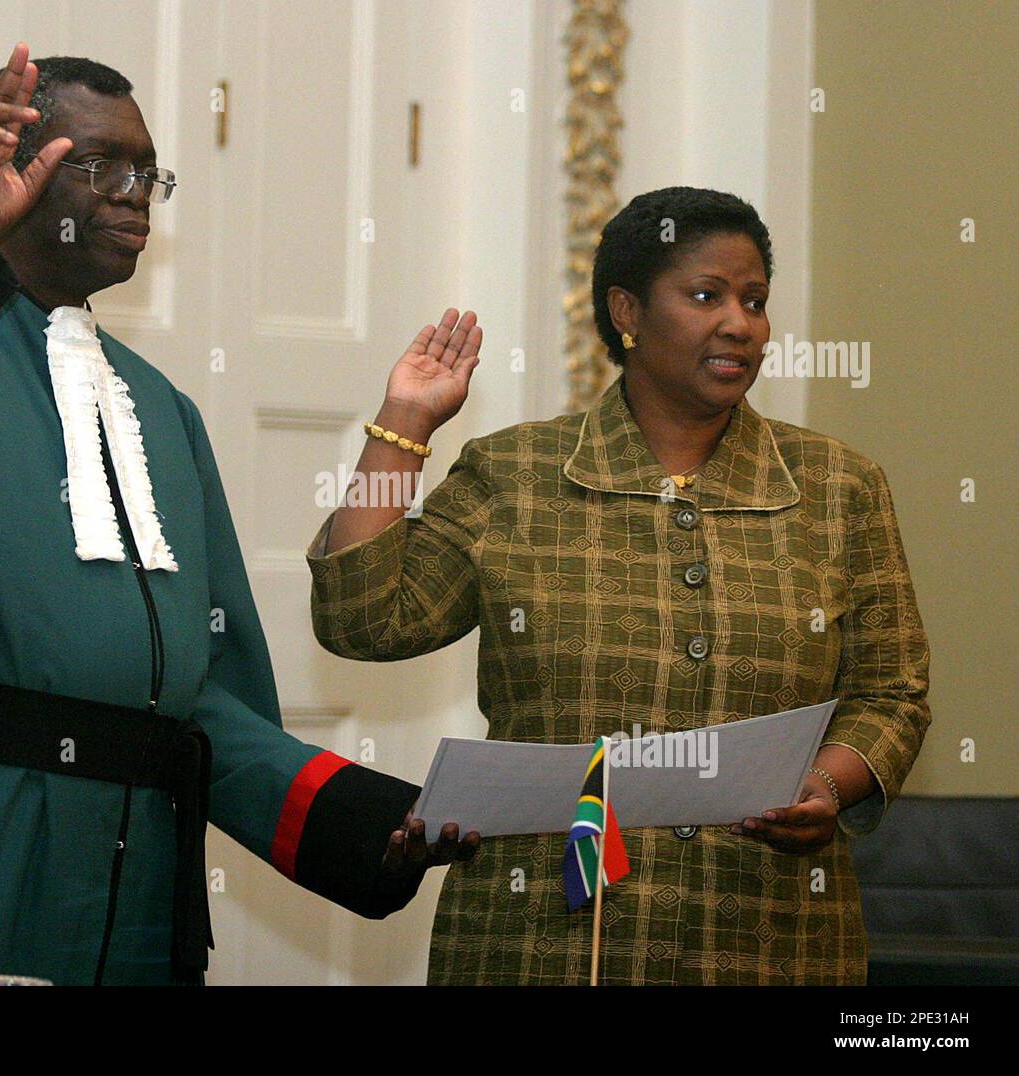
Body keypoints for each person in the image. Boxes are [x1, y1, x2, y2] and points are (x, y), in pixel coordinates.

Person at [0, 44, 477, 987]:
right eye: (100, 165)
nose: (136, 192)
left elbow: (197, 708)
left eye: (147, 171)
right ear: (4, 172)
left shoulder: (162, 411)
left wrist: (363, 821)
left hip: (131, 884)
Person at [307, 187, 931, 985]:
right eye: (706, 295)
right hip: (543, 937)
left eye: (755, 300)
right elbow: (363, 620)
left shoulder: (839, 486)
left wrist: (826, 785)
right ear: (627, 311)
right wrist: (405, 428)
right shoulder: (516, 474)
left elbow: (892, 693)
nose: (739, 322)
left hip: (766, 933)